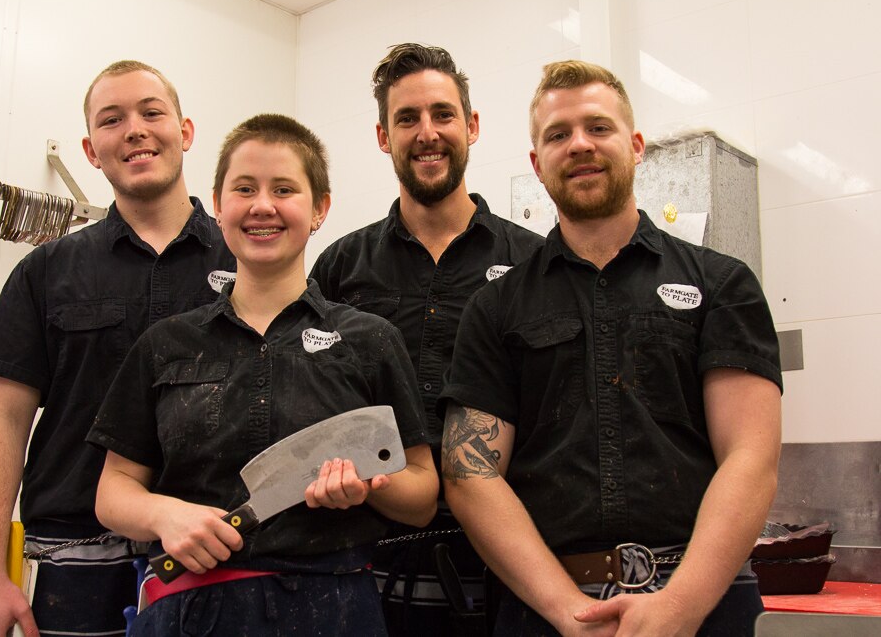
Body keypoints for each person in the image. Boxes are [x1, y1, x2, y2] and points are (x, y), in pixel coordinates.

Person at [439, 60, 783, 637]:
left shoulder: (722, 284)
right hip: (546, 609)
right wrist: (567, 613)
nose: (579, 145)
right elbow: (470, 474)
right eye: (557, 134)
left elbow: (751, 458)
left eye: (598, 127)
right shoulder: (495, 307)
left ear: (635, 144)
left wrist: (680, 608)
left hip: (704, 600)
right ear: (536, 163)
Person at [88, 113, 439, 635]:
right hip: (190, 608)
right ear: (219, 203)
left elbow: (423, 495)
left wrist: (369, 486)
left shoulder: (371, 340)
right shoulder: (166, 344)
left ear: (319, 208)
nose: (262, 206)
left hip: (336, 608)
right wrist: (165, 516)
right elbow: (113, 490)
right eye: (245, 188)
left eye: (284, 189)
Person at [0, 60, 237, 637]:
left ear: (184, 132)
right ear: (91, 150)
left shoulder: (246, 266)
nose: (134, 129)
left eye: (151, 112)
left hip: (217, 550)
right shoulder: (46, 271)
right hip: (73, 560)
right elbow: (3, 422)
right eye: (112, 120)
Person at [310, 43, 542, 635]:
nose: (427, 133)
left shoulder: (532, 262)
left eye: (443, 114)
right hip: (367, 551)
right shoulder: (341, 266)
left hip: (505, 553)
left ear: (472, 125)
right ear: (384, 136)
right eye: (407, 119)